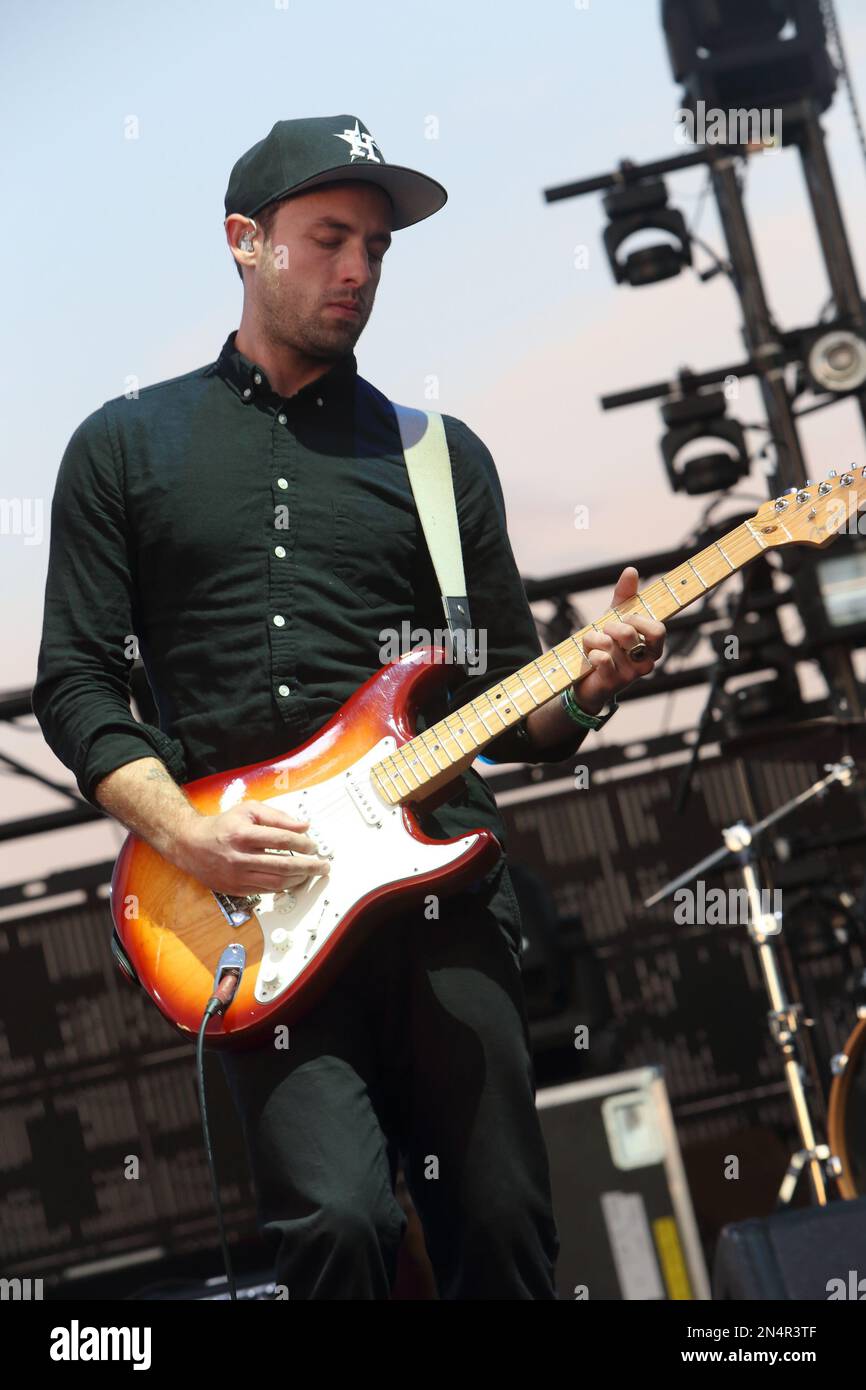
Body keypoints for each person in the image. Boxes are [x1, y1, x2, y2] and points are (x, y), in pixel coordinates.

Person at [32, 114, 666, 1299]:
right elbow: (76, 679)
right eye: (327, 239)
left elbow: (504, 701)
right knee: (334, 1224)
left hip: (438, 898)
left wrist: (587, 685)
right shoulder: (125, 445)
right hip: (248, 907)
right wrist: (180, 829)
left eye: (376, 246)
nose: (358, 270)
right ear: (242, 241)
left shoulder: (438, 457)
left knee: (509, 1226)